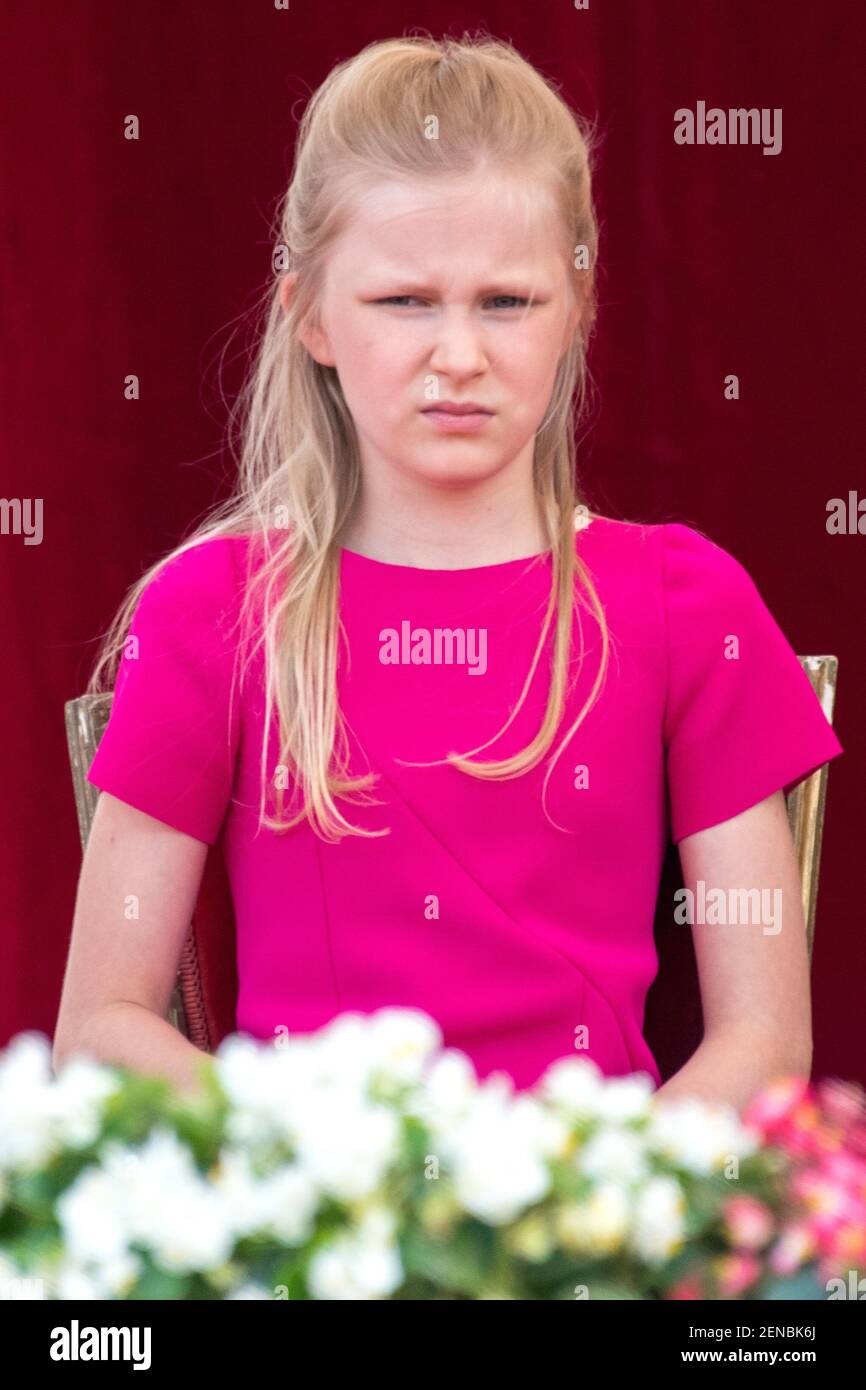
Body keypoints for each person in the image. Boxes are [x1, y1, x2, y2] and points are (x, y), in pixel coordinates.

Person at [54, 32, 843, 1110]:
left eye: (506, 302)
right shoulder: (215, 614)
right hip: (313, 1237)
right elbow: (100, 1029)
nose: (459, 356)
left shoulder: (681, 602)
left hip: (593, 1238)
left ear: (577, 310)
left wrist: (582, 1208)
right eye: (404, 301)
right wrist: (331, 1177)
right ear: (311, 317)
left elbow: (760, 1044)